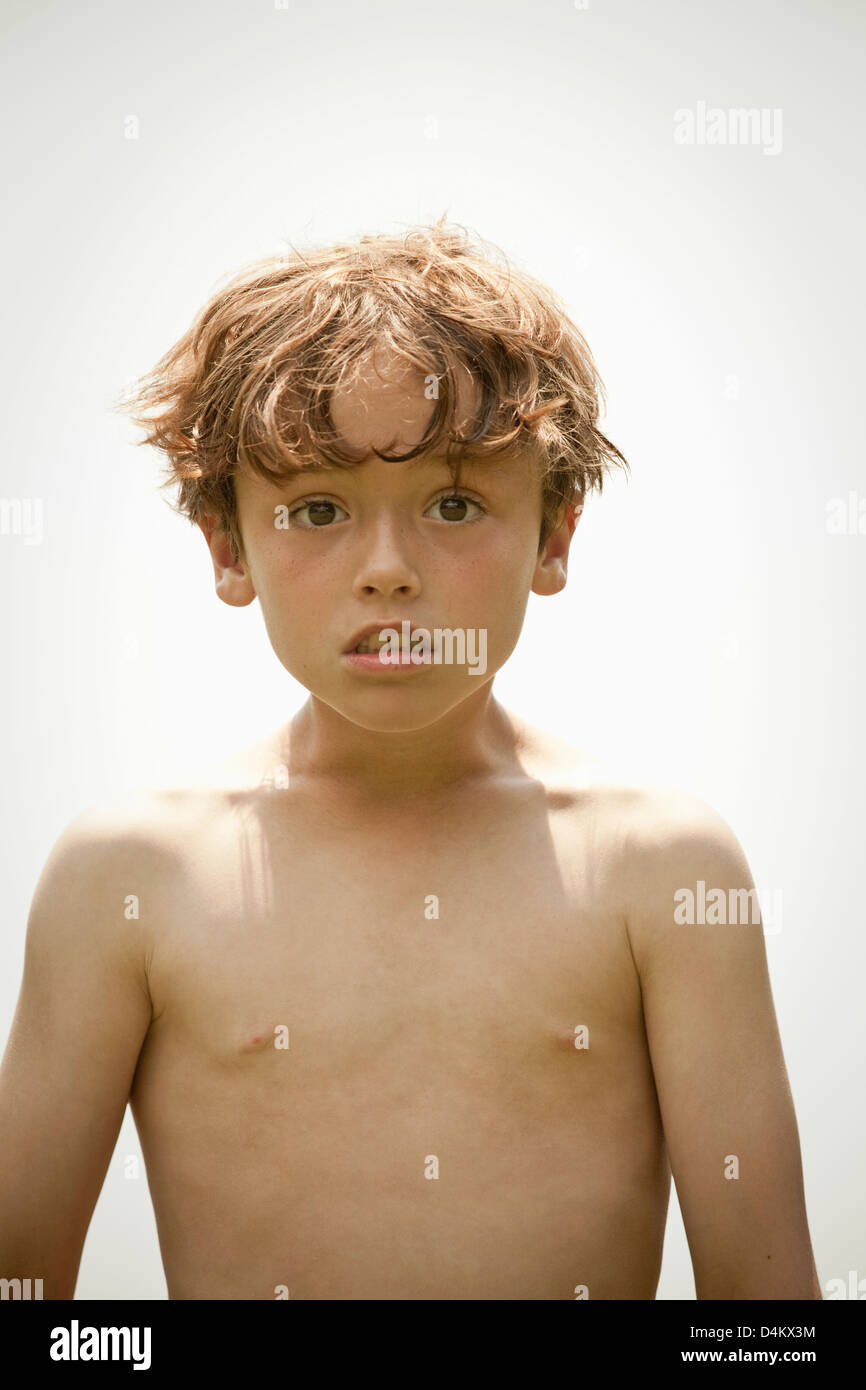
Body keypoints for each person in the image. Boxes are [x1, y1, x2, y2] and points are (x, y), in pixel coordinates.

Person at [0, 221, 820, 1300]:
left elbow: (766, 1319)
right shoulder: (127, 880)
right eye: (319, 509)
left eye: (452, 503)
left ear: (554, 536)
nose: (386, 572)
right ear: (227, 548)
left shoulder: (664, 871)